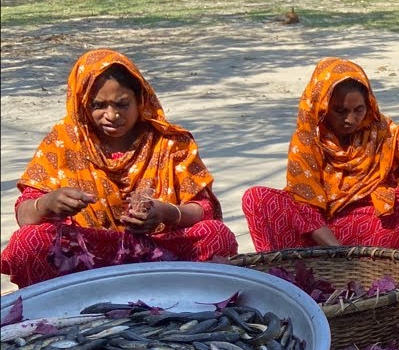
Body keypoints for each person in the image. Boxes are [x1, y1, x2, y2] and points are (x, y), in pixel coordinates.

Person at [0, 50, 236, 288]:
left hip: (161, 250)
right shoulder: (65, 140)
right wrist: (48, 204)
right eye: (98, 105)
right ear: (82, 104)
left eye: (122, 105)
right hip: (85, 255)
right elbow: (25, 216)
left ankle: (191, 302)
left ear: (140, 100)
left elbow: (206, 211)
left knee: (216, 235)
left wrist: (164, 212)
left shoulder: (170, 142)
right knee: (28, 241)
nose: (111, 116)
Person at [241, 58, 399, 251]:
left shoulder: (382, 131)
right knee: (257, 198)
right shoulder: (308, 139)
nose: (350, 119)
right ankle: (296, 269)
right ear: (322, 106)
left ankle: (386, 261)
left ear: (368, 104)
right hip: (318, 235)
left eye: (358, 110)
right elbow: (306, 208)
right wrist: (342, 254)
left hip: (369, 227)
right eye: (339, 111)